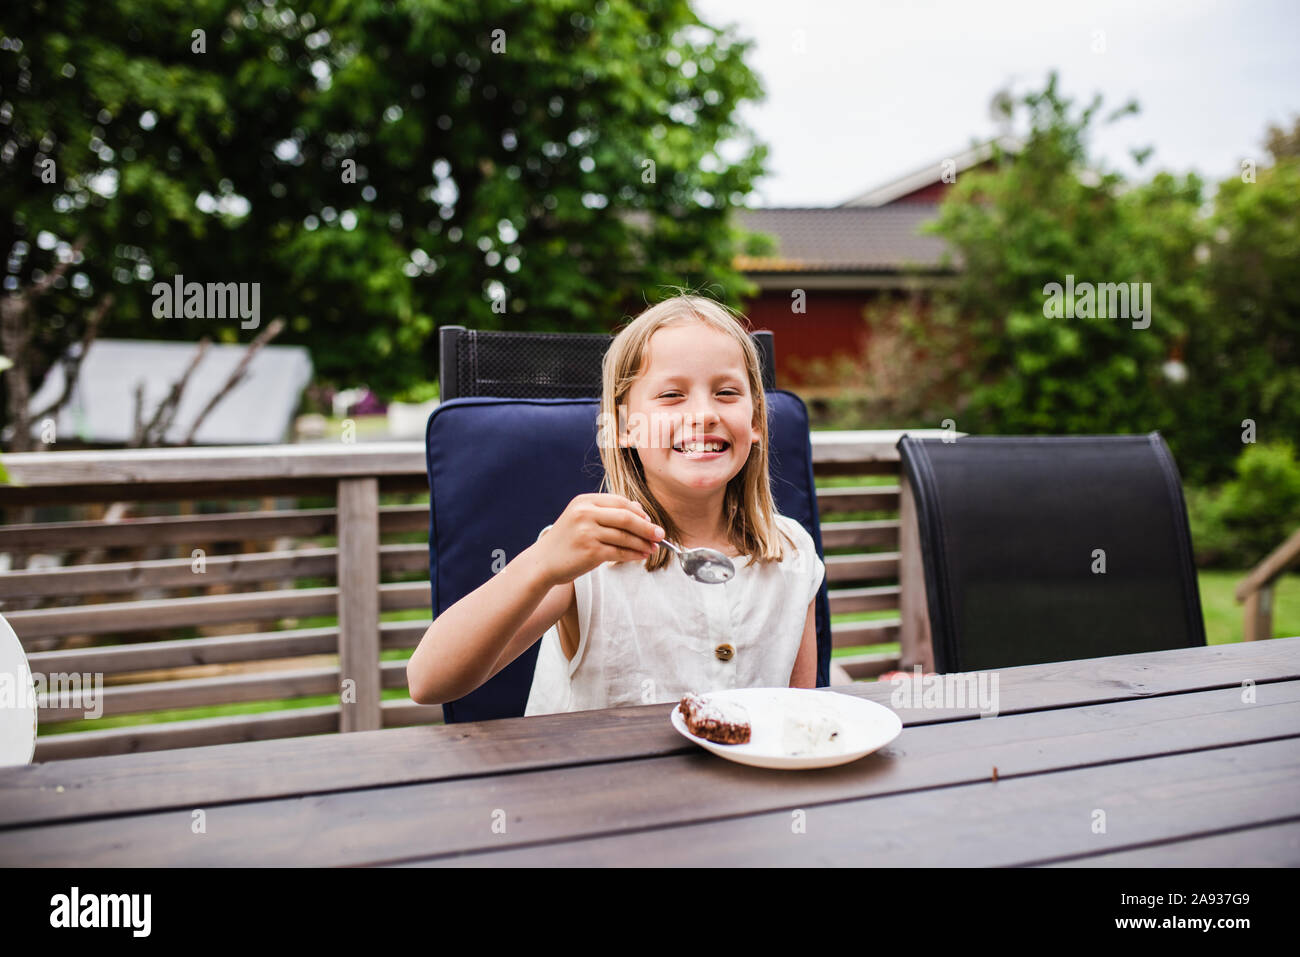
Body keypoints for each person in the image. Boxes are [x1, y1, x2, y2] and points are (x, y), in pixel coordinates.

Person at [406, 293, 834, 713]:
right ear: (624, 427)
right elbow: (428, 682)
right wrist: (541, 563)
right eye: (671, 395)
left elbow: (797, 719)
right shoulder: (583, 558)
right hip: (590, 782)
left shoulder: (794, 554)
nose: (704, 413)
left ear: (755, 421)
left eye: (726, 392)